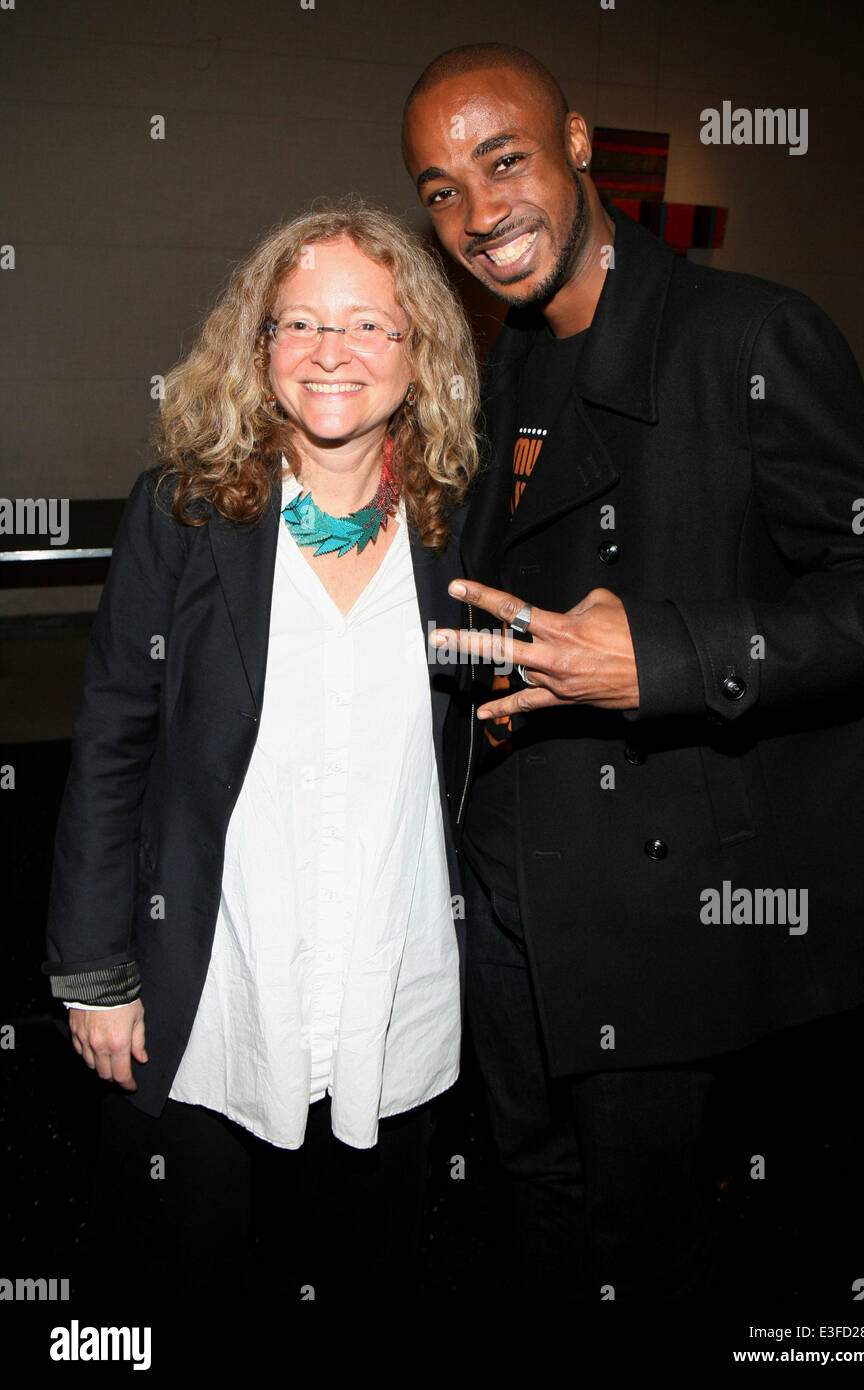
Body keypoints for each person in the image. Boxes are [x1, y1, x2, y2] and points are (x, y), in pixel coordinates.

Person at [402, 44, 864, 1301]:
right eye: (441, 191)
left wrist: (673, 655)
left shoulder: (751, 334)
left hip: (657, 908)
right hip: (501, 883)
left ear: (579, 144)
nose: (478, 214)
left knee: (645, 1236)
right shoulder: (506, 362)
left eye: (504, 161)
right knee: (535, 1185)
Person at [42, 197, 479, 1307]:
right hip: (214, 980)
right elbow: (110, 746)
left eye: (371, 324)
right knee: (173, 1284)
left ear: (420, 353)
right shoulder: (184, 513)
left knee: (366, 1282)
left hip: (389, 979)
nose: (333, 350)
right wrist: (95, 971)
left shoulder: (459, 529)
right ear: (260, 345)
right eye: (302, 323)